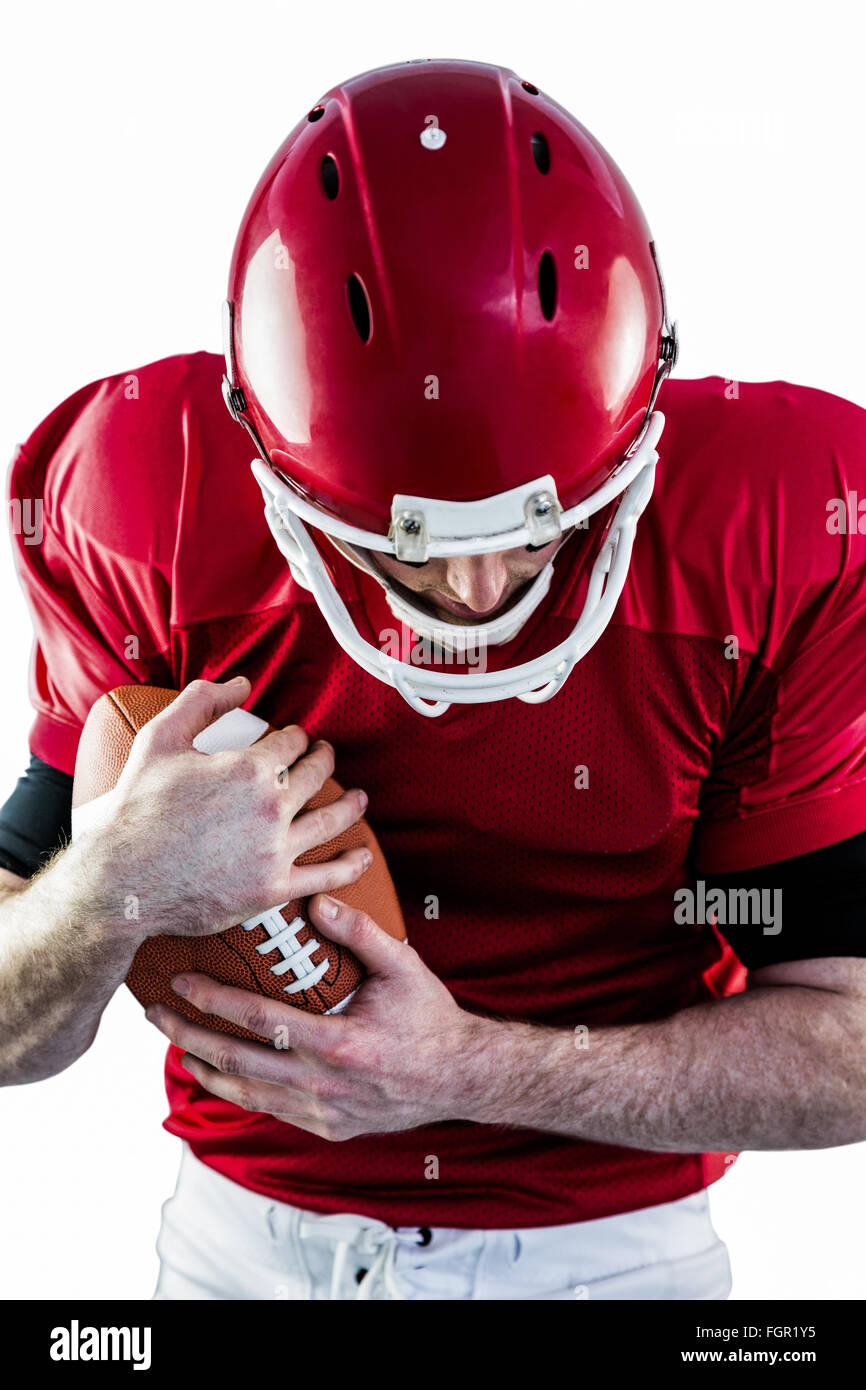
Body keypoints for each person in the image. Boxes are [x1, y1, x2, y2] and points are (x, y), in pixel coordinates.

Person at [1, 57, 865, 1302]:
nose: (473, 592)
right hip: (237, 1240)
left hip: (603, 1248)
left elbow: (844, 1039)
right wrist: (106, 889)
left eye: (539, 523)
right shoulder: (143, 492)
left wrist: (469, 1071)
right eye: (400, 538)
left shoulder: (776, 525)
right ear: (260, 446)